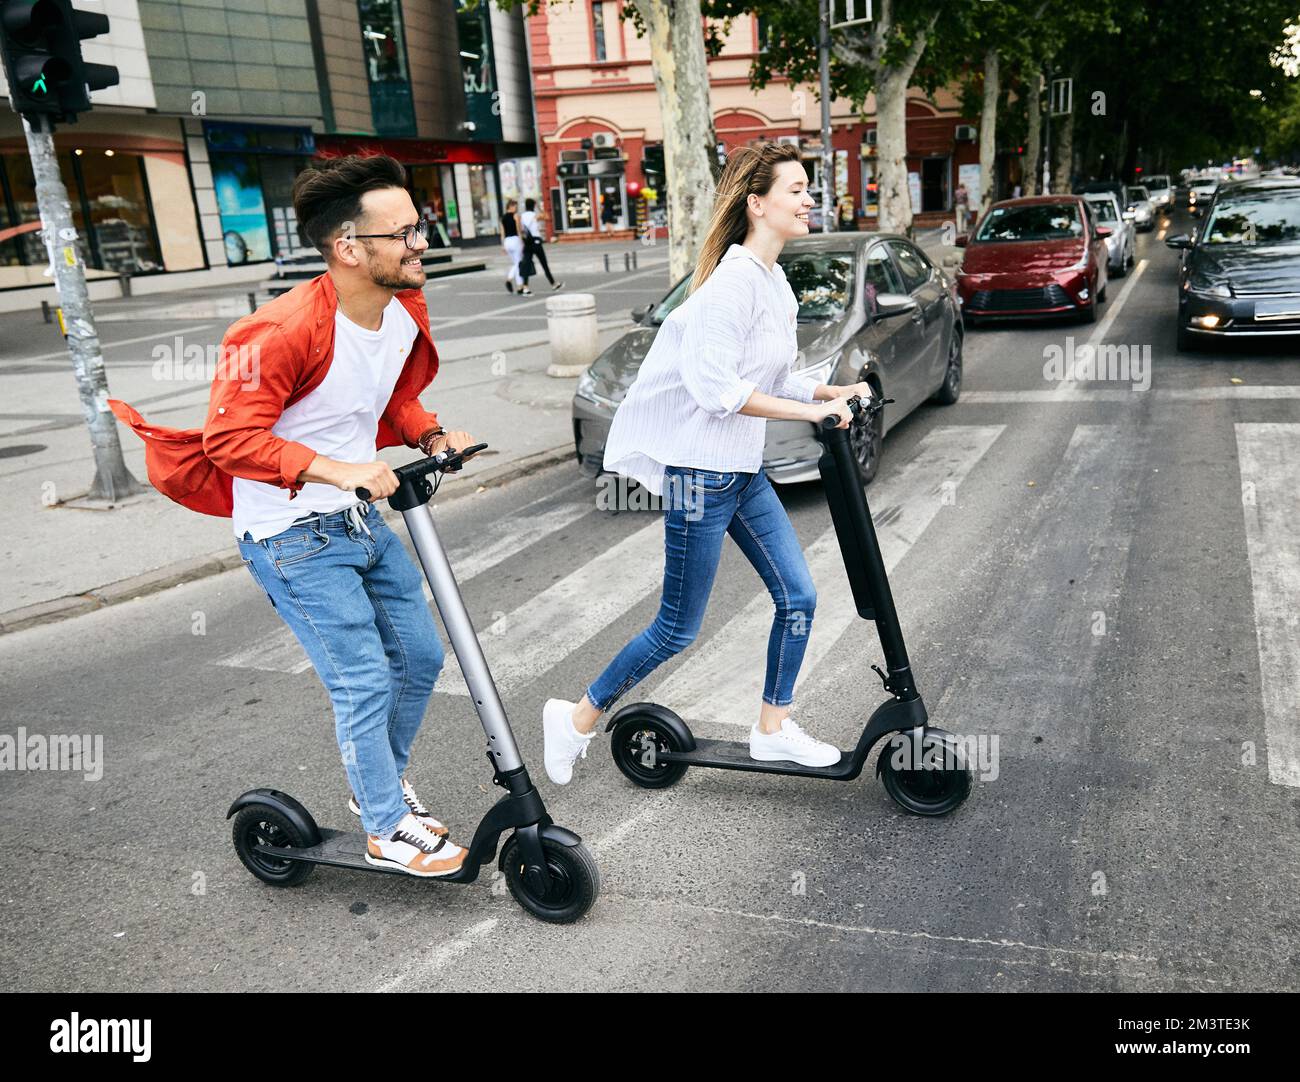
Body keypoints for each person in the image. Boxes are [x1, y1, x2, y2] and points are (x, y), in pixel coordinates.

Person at [109, 155, 478, 877]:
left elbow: (384, 398)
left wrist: (430, 434)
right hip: (290, 536)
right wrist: (341, 471)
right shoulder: (276, 331)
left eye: (419, 227)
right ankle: (384, 825)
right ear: (349, 248)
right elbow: (230, 439)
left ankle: (380, 789)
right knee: (363, 679)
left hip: (358, 519)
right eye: (403, 232)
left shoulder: (400, 310)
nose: (421, 243)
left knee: (422, 657)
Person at [541, 141, 874, 784]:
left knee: (798, 595)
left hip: (742, 470)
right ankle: (577, 719)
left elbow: (771, 374)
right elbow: (718, 392)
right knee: (678, 628)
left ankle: (773, 730)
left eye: (809, 188)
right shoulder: (730, 286)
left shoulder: (774, 280)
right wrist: (811, 416)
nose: (810, 199)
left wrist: (828, 392)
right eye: (796, 190)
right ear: (757, 204)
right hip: (700, 477)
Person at [520, 197, 564, 290]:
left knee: (527, 264)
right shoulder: (534, 215)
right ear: (533, 206)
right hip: (536, 242)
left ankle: (525, 286)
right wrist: (539, 208)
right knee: (544, 264)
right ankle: (553, 283)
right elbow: (547, 217)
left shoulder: (522, 216)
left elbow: (521, 229)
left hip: (527, 243)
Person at [501, 198, 531, 295]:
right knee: (518, 263)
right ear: (511, 206)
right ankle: (514, 282)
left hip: (507, 241)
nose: (516, 208)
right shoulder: (516, 216)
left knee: (516, 263)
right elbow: (519, 230)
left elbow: (502, 233)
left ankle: (517, 285)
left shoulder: (503, 218)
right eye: (515, 206)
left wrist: (503, 245)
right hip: (515, 240)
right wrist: (522, 241)